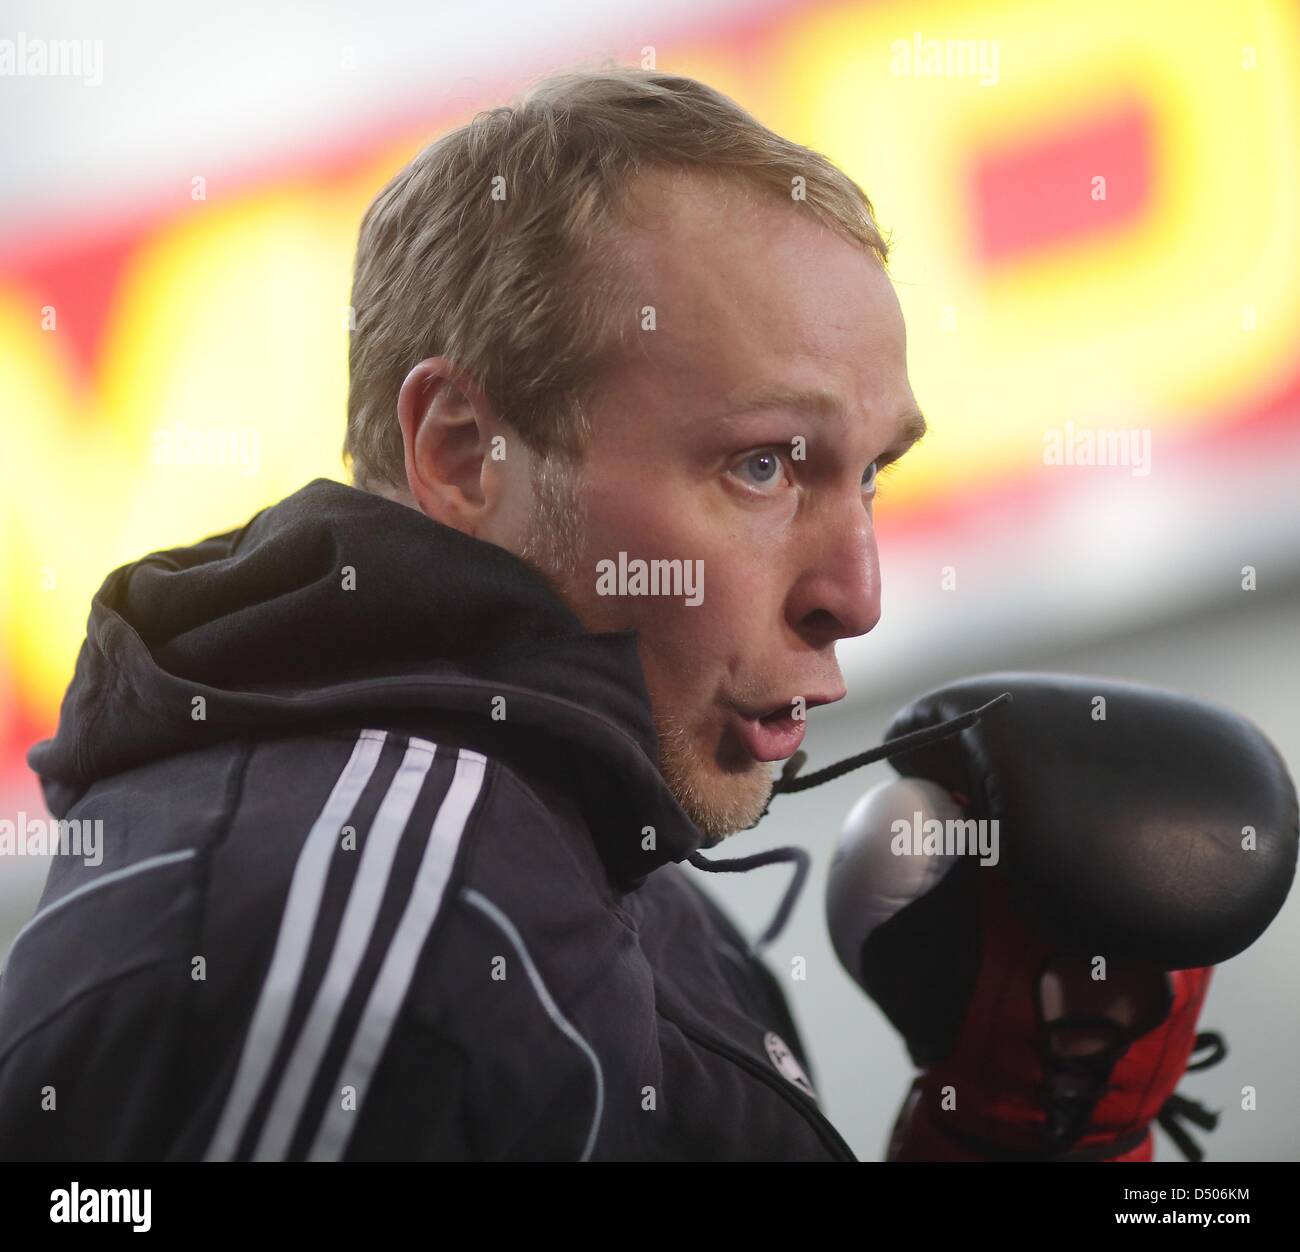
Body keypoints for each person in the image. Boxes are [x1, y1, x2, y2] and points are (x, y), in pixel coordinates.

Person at [1, 69, 1292, 1163]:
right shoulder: (365, 935)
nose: (855, 593)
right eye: (765, 465)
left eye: (870, 473)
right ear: (464, 453)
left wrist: (1002, 1133)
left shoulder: (571, 855)